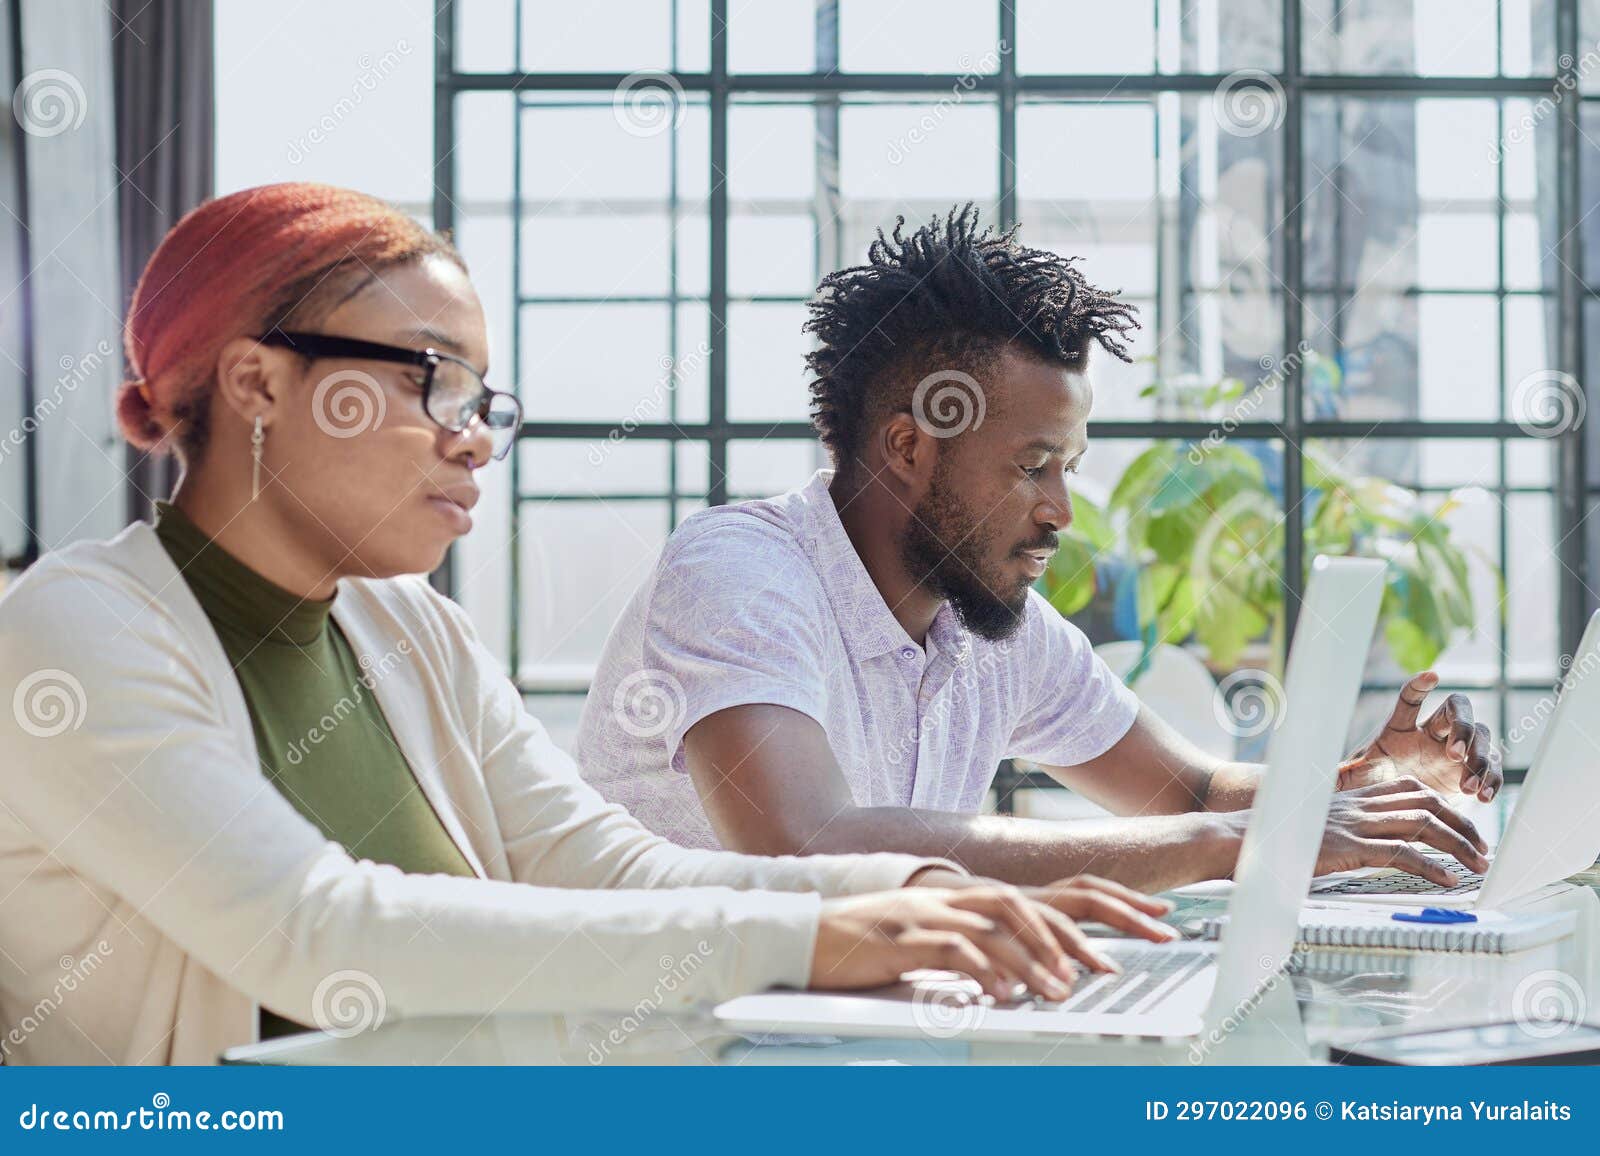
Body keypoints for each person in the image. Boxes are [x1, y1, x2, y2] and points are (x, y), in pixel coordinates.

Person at [0, 185, 1175, 1066]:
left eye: (484, 400)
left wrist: (913, 889)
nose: (473, 438)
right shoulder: (75, 629)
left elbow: (603, 866)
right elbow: (317, 931)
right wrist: (819, 940)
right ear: (256, 383)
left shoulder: (414, 634)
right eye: (430, 382)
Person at [575, 204, 1503, 894]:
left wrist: (1348, 789)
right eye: (1032, 466)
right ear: (909, 446)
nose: (1062, 510)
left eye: (1070, 465)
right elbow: (805, 846)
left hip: (857, 1037)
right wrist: (1240, 844)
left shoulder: (995, 631)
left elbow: (1184, 792)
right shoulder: (739, 572)